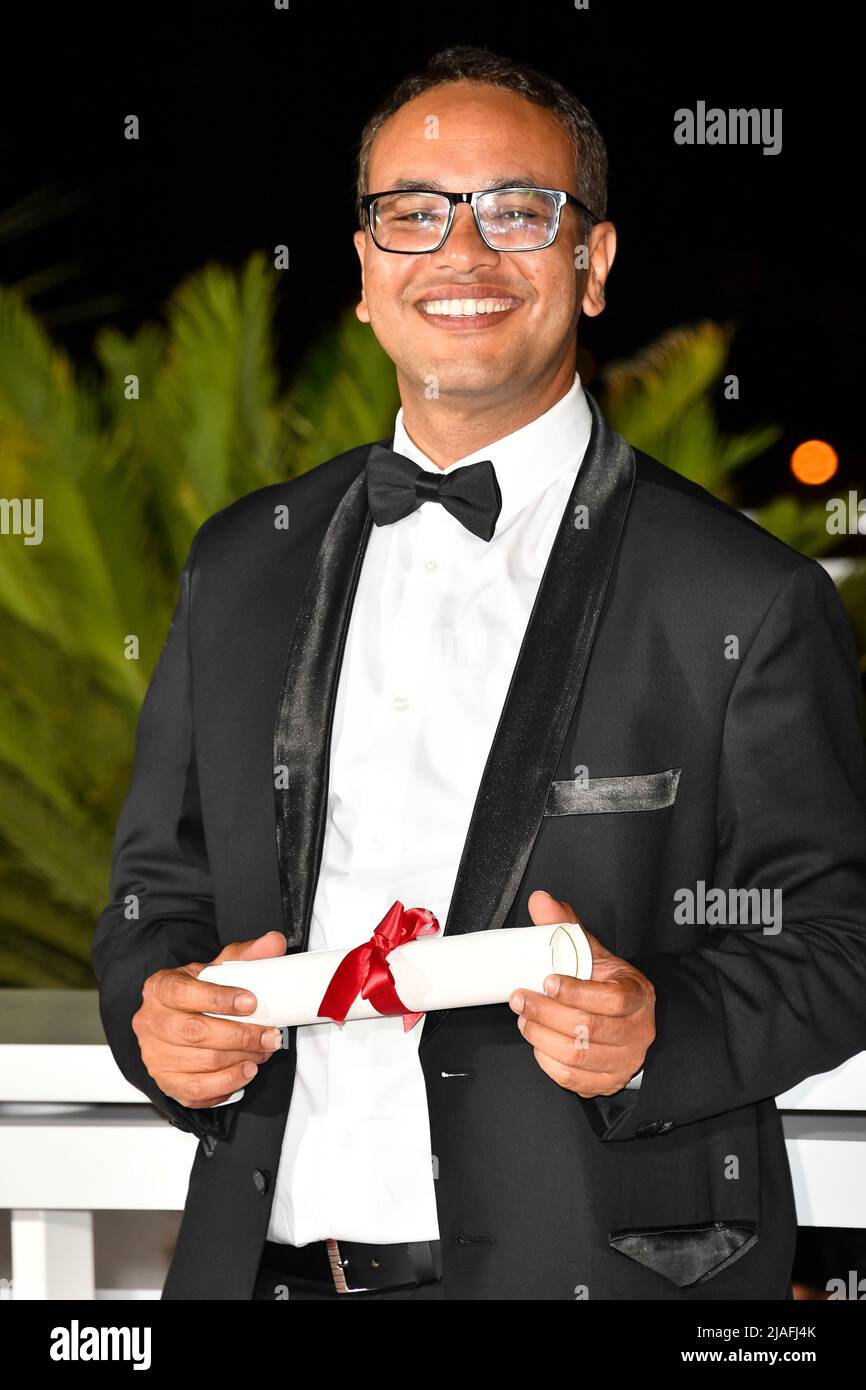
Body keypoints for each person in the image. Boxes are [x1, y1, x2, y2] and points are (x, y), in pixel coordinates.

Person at [91, 45, 866, 1301]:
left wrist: (654, 1025)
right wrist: (159, 1018)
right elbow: (153, 893)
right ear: (361, 272)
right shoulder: (240, 564)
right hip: (259, 1271)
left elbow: (836, 937)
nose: (460, 255)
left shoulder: (740, 596)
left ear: (591, 262)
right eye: (413, 214)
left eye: (517, 211)